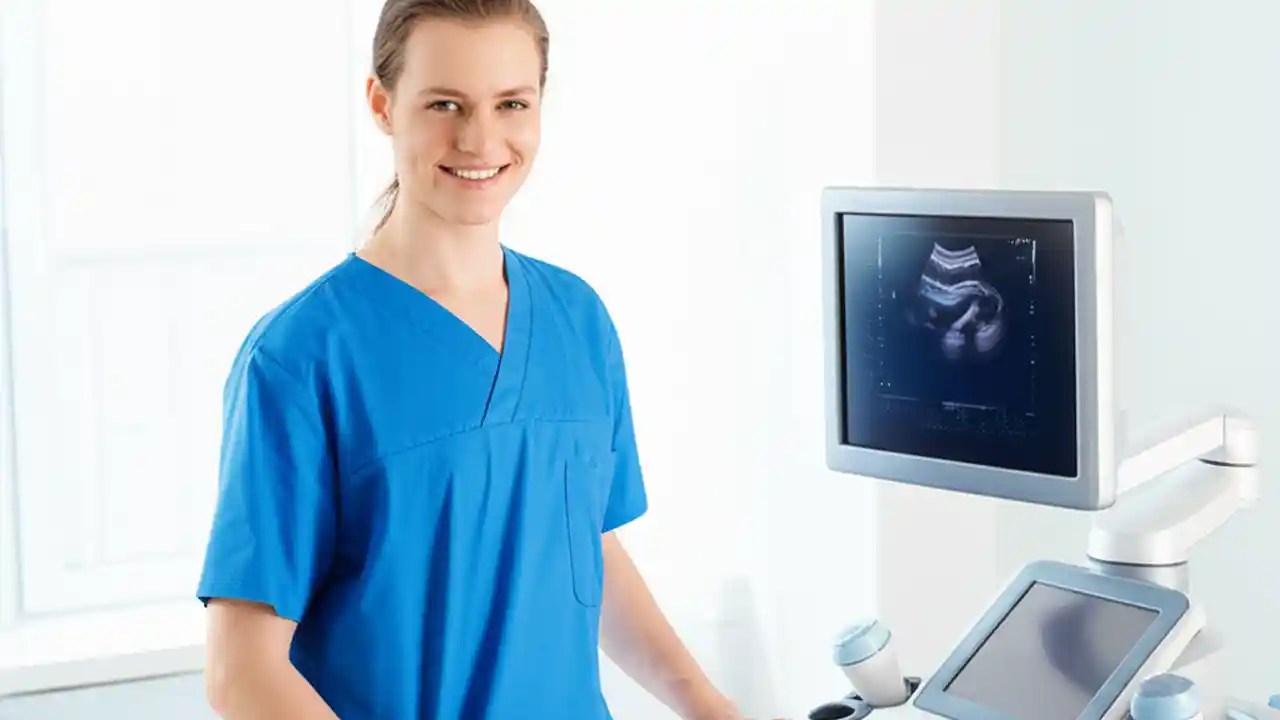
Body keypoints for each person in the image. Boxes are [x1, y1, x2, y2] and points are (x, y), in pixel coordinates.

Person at [196, 1, 780, 718]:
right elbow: (242, 673)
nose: (480, 139)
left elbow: (580, 547)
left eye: (511, 104)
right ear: (382, 104)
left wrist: (704, 702)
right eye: (445, 104)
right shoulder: (301, 358)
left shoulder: (577, 319)